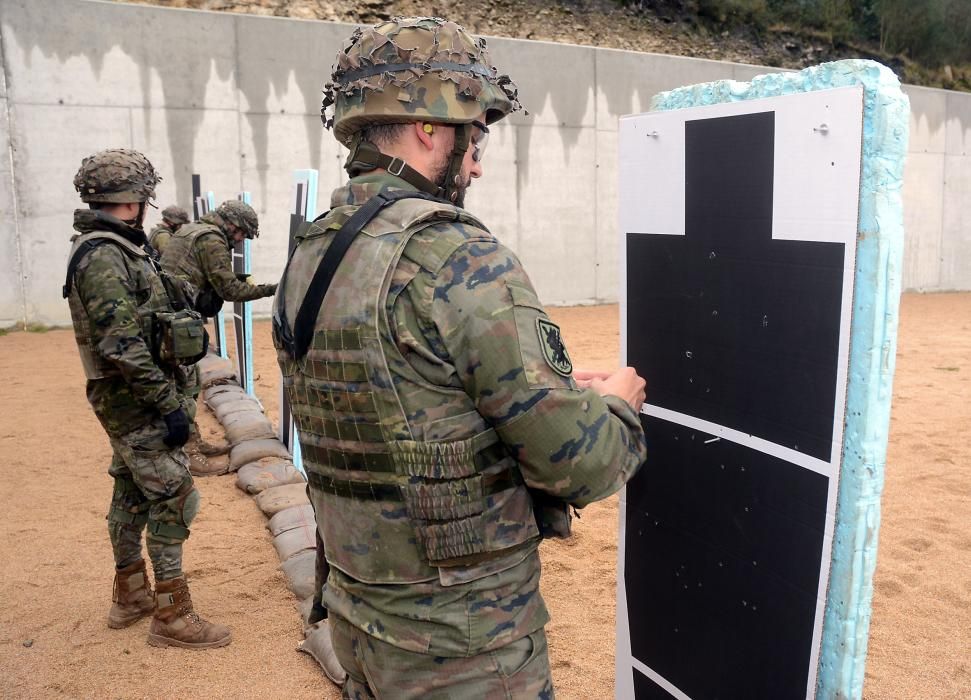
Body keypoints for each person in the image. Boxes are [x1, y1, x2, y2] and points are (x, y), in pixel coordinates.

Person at [273, 17, 647, 698]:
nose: (477, 161)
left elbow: (396, 400)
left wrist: (546, 390)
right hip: (462, 646)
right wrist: (615, 406)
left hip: (358, 616)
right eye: (474, 136)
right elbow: (580, 463)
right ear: (429, 127)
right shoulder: (456, 257)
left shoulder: (311, 251)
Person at [64, 148, 230, 649]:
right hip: (135, 401)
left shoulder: (120, 246)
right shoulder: (103, 254)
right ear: (134, 198)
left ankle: (130, 595)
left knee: (132, 492)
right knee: (176, 494)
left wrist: (188, 294)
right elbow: (120, 343)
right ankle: (172, 616)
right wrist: (167, 407)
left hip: (133, 397)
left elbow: (147, 305)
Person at [160, 199, 278, 474]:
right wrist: (272, 289)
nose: (239, 241)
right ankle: (189, 453)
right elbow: (230, 291)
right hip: (175, 321)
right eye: (241, 235)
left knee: (185, 383)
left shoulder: (193, 230)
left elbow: (208, 276)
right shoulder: (212, 240)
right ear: (231, 225)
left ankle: (193, 442)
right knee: (184, 386)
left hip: (169, 318)